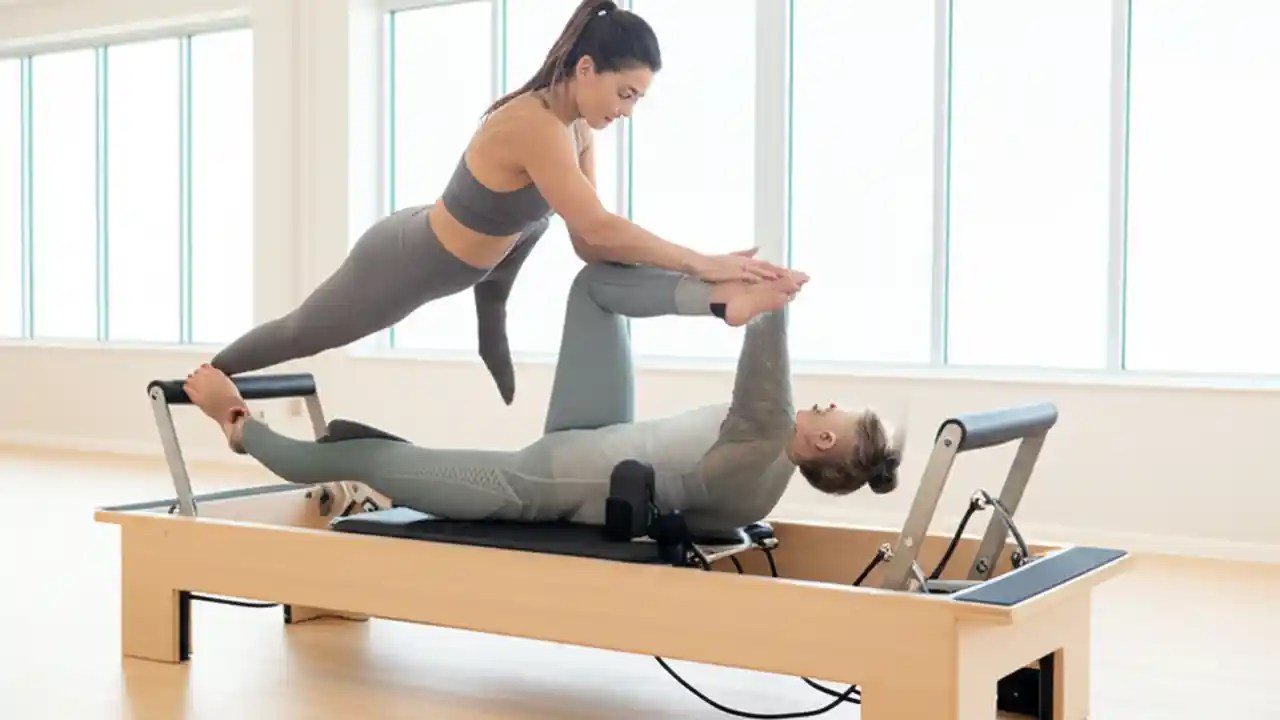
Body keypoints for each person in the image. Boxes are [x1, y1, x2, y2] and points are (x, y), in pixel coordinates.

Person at [206, 0, 792, 407]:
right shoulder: (533, 125)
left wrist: (702, 278)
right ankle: (205, 377)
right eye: (625, 93)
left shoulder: (577, 129)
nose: (627, 110)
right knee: (303, 333)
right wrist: (701, 261)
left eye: (637, 98)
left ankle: (493, 322)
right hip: (405, 261)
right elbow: (598, 226)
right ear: (586, 69)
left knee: (530, 227)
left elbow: (589, 244)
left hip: (472, 256)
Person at [182, 263, 904, 538]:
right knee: (594, 288)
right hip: (598, 432)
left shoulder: (764, 436)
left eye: (832, 414)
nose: (822, 405)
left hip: (531, 484)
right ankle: (710, 297)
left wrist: (768, 301)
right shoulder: (765, 484)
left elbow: (768, 371)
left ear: (824, 444)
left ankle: (237, 425)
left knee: (362, 458)